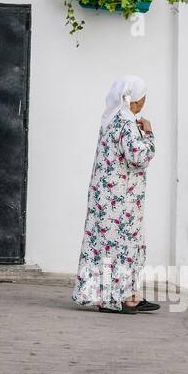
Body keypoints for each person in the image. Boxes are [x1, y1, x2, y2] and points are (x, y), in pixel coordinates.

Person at [72, 76, 159, 314]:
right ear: (138, 100)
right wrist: (149, 134)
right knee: (123, 247)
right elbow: (139, 157)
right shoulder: (127, 122)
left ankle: (125, 296)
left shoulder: (111, 119)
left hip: (107, 197)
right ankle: (119, 299)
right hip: (120, 200)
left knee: (107, 247)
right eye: (144, 96)